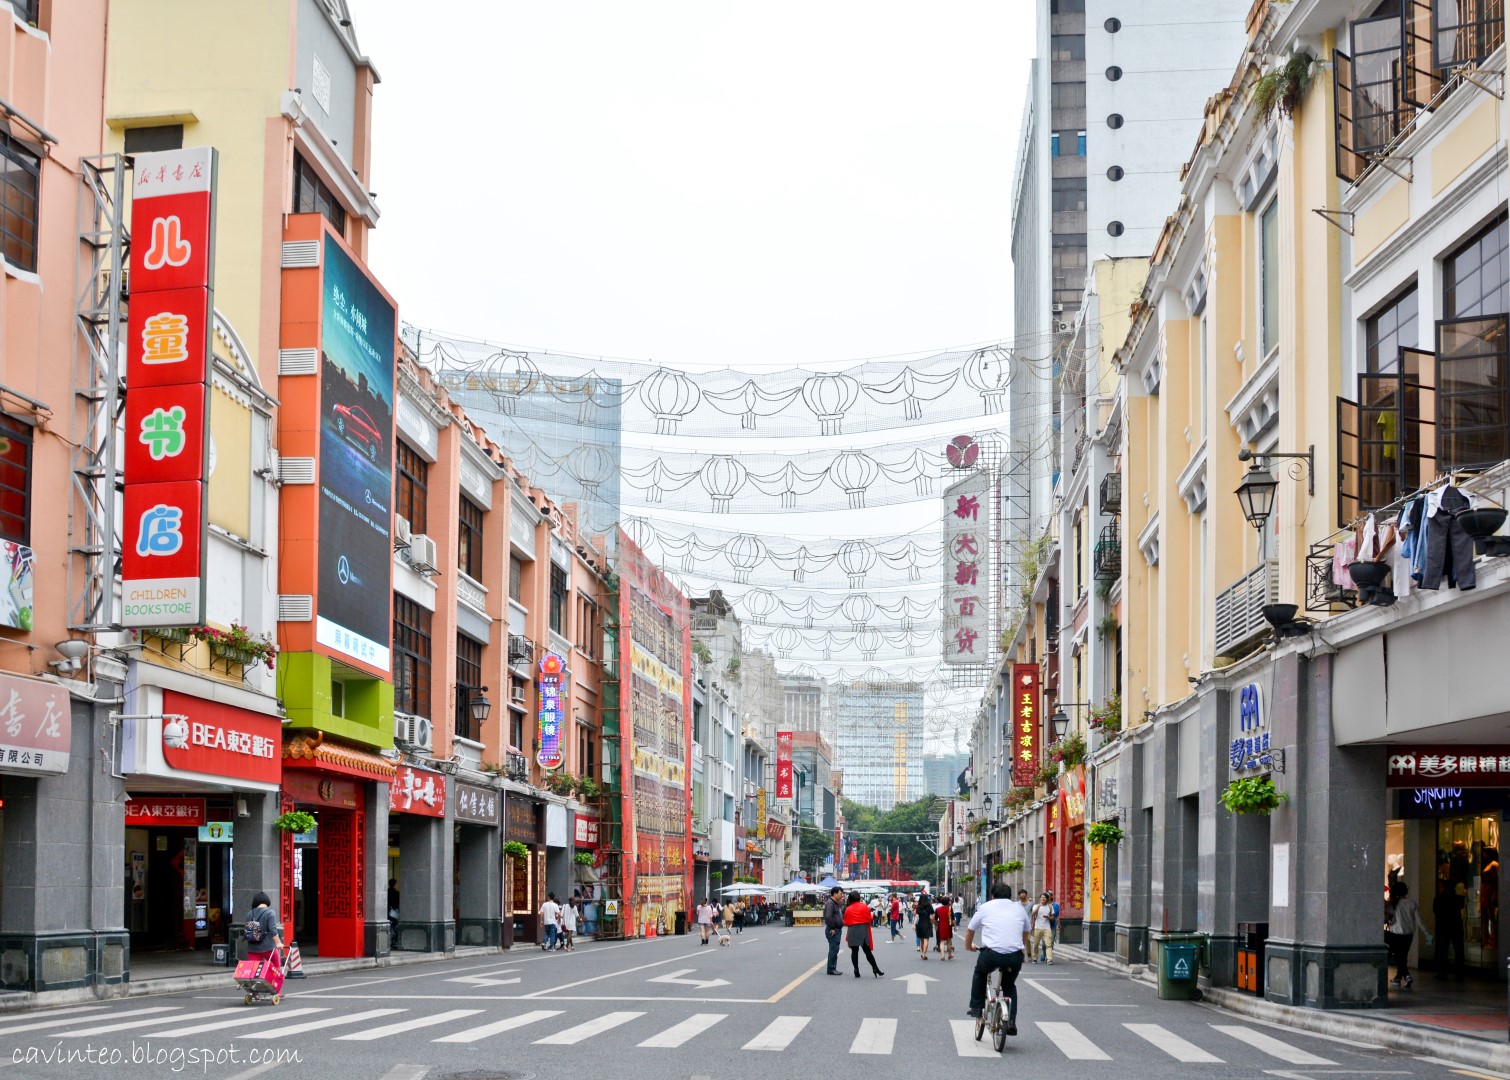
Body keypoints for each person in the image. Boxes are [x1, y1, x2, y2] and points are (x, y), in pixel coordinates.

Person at [966, 882, 1032, 1036]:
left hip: (991, 955)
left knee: (980, 973)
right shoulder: (1019, 908)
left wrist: (969, 946)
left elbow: (970, 929)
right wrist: (1020, 945)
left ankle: (976, 1007)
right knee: (1009, 986)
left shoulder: (985, 907)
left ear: (993, 895)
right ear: (1010, 896)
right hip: (1015, 956)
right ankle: (1011, 1022)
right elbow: (1027, 930)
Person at [1384, 882, 1429, 987]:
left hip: (1395, 934)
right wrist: (1427, 934)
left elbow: (1390, 920)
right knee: (1402, 955)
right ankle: (1398, 978)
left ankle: (1407, 975)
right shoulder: (1412, 903)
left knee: (1398, 957)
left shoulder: (1392, 904)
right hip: (1408, 935)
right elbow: (1419, 921)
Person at [843, 890, 884, 978]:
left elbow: (846, 921)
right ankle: (875, 968)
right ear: (858, 898)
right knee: (867, 951)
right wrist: (872, 914)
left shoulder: (848, 908)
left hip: (852, 930)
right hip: (863, 930)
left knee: (854, 951)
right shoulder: (864, 906)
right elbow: (869, 918)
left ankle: (856, 970)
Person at [244, 891, 285, 979]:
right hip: (268, 947)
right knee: (276, 968)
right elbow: (273, 930)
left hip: (252, 948)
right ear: (267, 901)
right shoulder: (270, 913)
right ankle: (275, 991)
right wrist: (278, 943)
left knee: (254, 972)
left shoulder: (249, 914)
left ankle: (255, 992)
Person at [1431, 878, 1465, 982]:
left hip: (1443, 926)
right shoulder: (1458, 898)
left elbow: (1435, 910)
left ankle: (1442, 972)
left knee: (1443, 950)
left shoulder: (1439, 898)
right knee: (1458, 950)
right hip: (1456, 926)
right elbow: (1461, 906)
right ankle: (1459, 973)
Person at [822, 885, 846, 975]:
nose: (842, 895)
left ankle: (832, 968)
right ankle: (831, 969)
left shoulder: (836, 902)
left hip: (837, 929)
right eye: (840, 893)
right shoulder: (830, 903)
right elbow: (828, 917)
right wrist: (832, 928)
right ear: (835, 894)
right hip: (833, 929)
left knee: (835, 949)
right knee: (834, 948)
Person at [1030, 892, 1055, 965]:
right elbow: (1033, 914)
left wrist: (1048, 917)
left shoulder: (1050, 907)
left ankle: (1049, 959)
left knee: (1048, 944)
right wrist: (1038, 907)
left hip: (1047, 928)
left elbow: (1053, 917)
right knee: (1035, 944)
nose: (1043, 898)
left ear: (1047, 899)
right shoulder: (1036, 906)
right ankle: (1035, 958)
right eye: (1041, 897)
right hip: (1038, 927)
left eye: (1044, 897)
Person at [915, 892, 934, 960]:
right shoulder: (929, 905)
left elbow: (917, 916)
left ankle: (923, 953)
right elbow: (932, 915)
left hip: (920, 924)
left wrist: (914, 924)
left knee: (922, 940)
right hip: (927, 923)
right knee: (926, 940)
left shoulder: (919, 906)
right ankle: (924, 954)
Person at [936, 894, 955, 960]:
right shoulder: (950, 909)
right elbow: (953, 919)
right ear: (948, 902)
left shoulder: (938, 909)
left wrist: (936, 924)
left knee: (941, 941)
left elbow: (935, 918)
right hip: (948, 926)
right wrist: (955, 927)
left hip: (941, 926)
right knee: (949, 941)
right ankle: (949, 955)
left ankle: (942, 955)